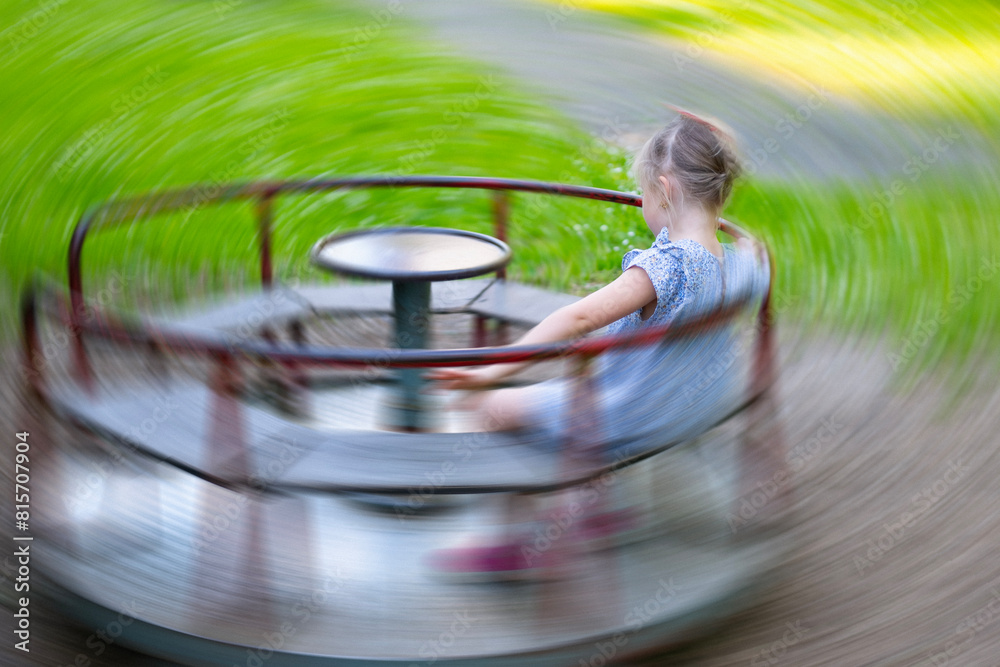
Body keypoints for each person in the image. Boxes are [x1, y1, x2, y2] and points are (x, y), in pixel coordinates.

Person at [428, 112, 769, 576]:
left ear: (665, 192)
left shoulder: (668, 267)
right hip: (697, 405)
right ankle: (592, 510)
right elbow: (719, 199)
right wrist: (717, 145)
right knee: (565, 396)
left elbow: (580, 316)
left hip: (634, 414)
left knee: (491, 409)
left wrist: (491, 371)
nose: (644, 204)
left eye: (645, 195)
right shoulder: (747, 261)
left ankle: (515, 546)